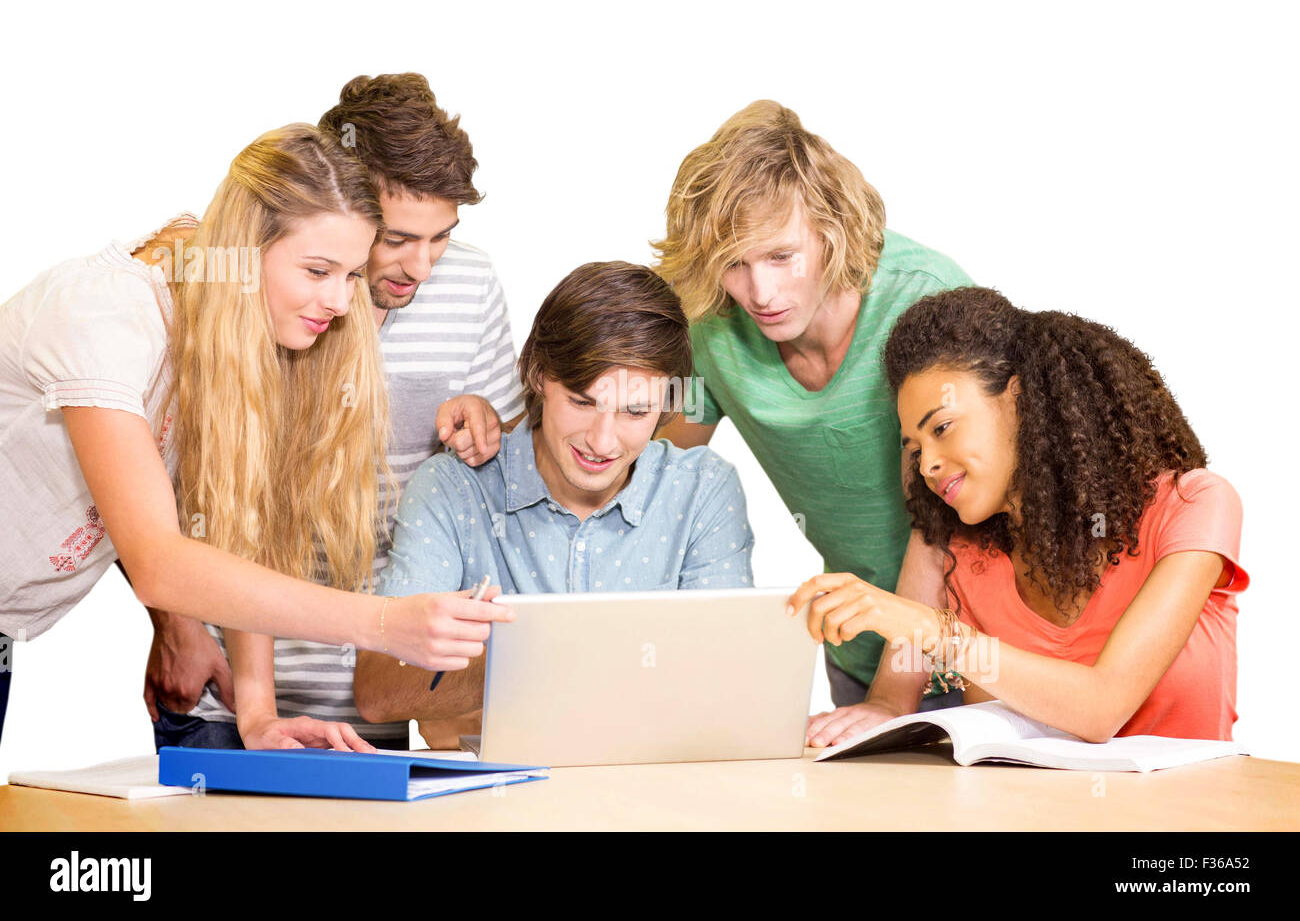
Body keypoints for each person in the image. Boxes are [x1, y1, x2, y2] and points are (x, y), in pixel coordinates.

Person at [0, 123, 511, 746]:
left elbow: (237, 518)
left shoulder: (236, 320)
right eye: (318, 270)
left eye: (351, 275)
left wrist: (259, 711)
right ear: (245, 249)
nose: (341, 302)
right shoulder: (107, 316)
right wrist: (382, 622)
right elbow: (159, 563)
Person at [148, 74, 528, 751]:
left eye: (441, 237)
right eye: (398, 237)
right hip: (226, 685)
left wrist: (490, 432)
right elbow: (173, 487)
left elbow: (496, 501)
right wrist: (175, 625)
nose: (422, 266)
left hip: (375, 684)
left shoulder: (470, 286)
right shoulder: (256, 291)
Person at [788, 287, 1247, 741]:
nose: (926, 463)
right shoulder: (946, 545)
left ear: (1019, 398)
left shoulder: (1193, 505)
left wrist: (929, 628)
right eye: (915, 447)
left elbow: (1101, 708)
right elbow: (892, 701)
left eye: (942, 428)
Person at [652, 100, 974, 745]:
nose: (760, 293)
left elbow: (943, 520)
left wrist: (892, 698)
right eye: (734, 263)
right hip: (858, 656)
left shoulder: (925, 300)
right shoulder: (712, 325)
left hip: (983, 656)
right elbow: (660, 482)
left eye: (780, 257)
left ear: (833, 230)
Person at [352, 261, 755, 745]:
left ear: (668, 406)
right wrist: (598, 662)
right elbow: (381, 691)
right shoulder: (453, 489)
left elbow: (726, 686)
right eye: (583, 402)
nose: (603, 442)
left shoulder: (703, 492)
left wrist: (485, 680)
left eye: (635, 411)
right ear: (539, 376)